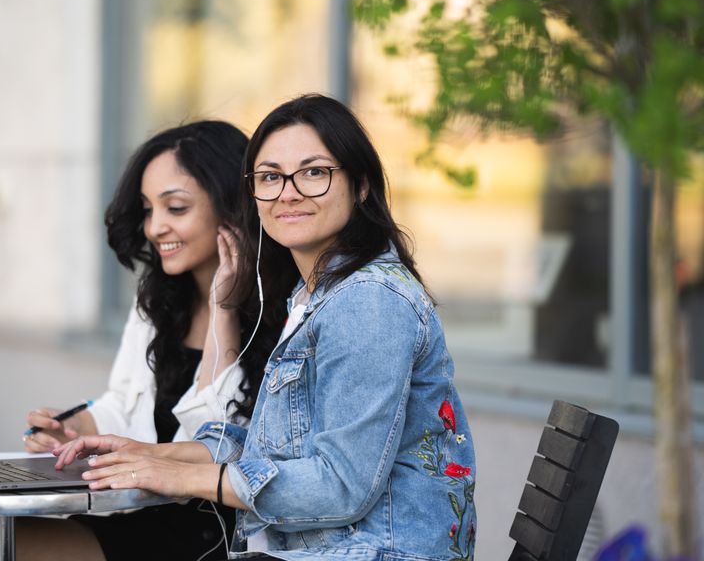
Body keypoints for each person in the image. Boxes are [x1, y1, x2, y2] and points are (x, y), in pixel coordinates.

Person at [55, 94, 478, 561]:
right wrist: (150, 455)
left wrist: (183, 476)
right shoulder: (313, 296)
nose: (288, 193)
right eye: (271, 177)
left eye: (314, 172)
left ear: (360, 186)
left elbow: (340, 485)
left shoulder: (368, 300)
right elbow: (280, 449)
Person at [0, 121, 284, 561]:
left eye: (176, 208)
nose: (155, 227)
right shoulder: (157, 300)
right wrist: (76, 430)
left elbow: (214, 440)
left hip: (224, 532)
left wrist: (223, 312)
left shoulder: (280, 310)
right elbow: (123, 402)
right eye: (147, 210)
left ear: (231, 208)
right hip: (142, 513)